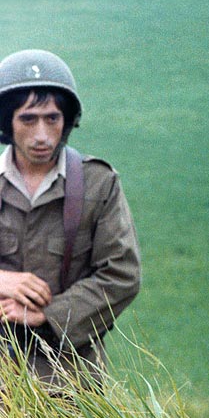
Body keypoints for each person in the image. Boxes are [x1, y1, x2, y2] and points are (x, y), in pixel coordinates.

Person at [0, 49, 141, 386]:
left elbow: (121, 274)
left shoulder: (98, 183)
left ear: (66, 120)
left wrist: (49, 315)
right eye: (28, 119)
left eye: (52, 118)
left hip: (71, 382)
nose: (42, 135)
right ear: (7, 121)